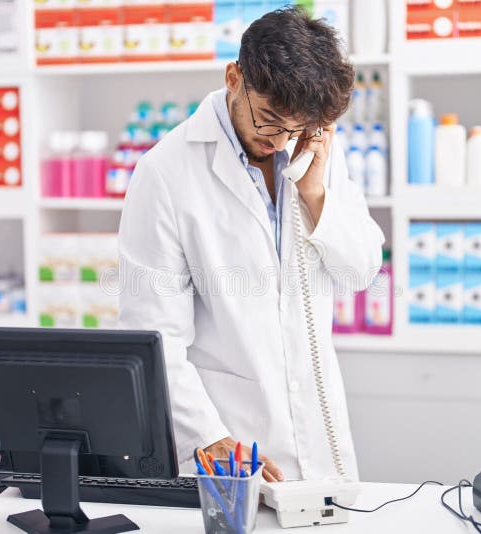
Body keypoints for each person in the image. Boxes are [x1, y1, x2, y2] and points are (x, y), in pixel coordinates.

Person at [117, 6, 384, 482]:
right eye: (269, 120)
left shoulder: (313, 154)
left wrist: (315, 194)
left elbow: (360, 272)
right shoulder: (165, 173)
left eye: (297, 128)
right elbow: (154, 337)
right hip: (229, 443)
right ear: (234, 78)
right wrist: (208, 437)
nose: (281, 142)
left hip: (320, 445)